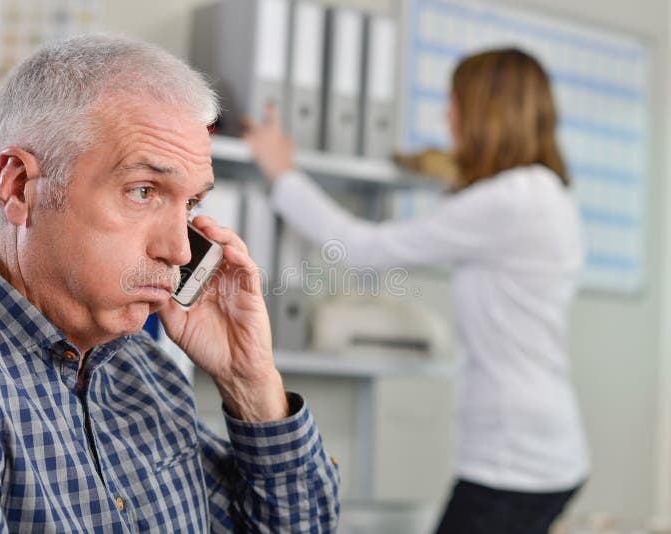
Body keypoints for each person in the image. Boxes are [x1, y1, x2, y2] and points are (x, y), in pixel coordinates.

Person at [0, 35, 340, 532]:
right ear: (18, 187)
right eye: (143, 191)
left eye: (191, 205)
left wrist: (250, 384)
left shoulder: (144, 373)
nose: (180, 250)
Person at [244, 48, 588, 534]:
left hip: (515, 459)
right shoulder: (544, 193)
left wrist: (283, 174)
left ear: (488, 112)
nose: (447, 114)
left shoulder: (507, 201)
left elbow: (363, 249)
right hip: (548, 447)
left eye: (456, 102)